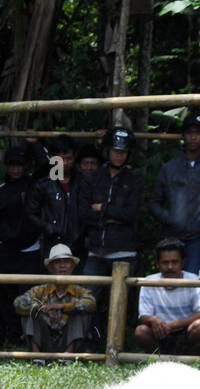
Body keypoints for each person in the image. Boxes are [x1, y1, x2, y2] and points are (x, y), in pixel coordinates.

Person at [76, 127, 142, 333]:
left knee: (120, 302)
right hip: (96, 249)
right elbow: (84, 213)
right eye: (115, 150)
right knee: (86, 299)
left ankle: (115, 345)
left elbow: (132, 214)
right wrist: (115, 215)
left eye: (122, 151)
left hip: (124, 251)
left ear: (129, 153)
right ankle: (85, 340)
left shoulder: (134, 179)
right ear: (107, 151)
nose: (118, 155)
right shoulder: (93, 178)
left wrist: (103, 208)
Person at [148, 112, 200, 275]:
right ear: (183, 136)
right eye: (190, 133)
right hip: (171, 237)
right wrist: (169, 218)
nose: (193, 137)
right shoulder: (169, 168)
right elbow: (154, 202)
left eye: (197, 133)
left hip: (199, 236)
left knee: (193, 281)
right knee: (170, 279)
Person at [0, 145, 42, 341]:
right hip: (5, 250)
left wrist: (34, 141)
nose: (16, 169)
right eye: (12, 165)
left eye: (20, 165)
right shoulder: (0, 191)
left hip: (29, 249)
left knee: (29, 294)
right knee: (5, 294)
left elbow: (49, 165)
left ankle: (30, 335)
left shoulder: (35, 185)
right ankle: (11, 334)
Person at [134, 237, 200, 355]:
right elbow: (143, 316)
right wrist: (153, 319)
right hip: (160, 333)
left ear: (182, 263)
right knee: (141, 331)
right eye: (165, 263)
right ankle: (158, 360)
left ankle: (192, 360)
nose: (170, 267)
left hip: (186, 331)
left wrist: (173, 325)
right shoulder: (148, 281)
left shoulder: (194, 280)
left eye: (174, 262)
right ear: (157, 264)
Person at [13, 244, 96, 354]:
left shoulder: (79, 290)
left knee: (81, 311)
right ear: (50, 267)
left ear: (72, 265)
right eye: (57, 262)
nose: (63, 265)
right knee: (31, 311)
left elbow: (91, 303)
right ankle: (37, 356)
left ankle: (68, 357)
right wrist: (41, 308)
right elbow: (18, 303)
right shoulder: (41, 290)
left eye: (66, 262)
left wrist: (61, 306)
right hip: (44, 341)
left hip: (68, 342)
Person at [26, 134, 83, 261]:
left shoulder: (82, 182)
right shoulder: (44, 184)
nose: (65, 163)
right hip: (53, 244)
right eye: (61, 159)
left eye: (69, 159)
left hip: (79, 244)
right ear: (52, 157)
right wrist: (48, 227)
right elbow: (30, 213)